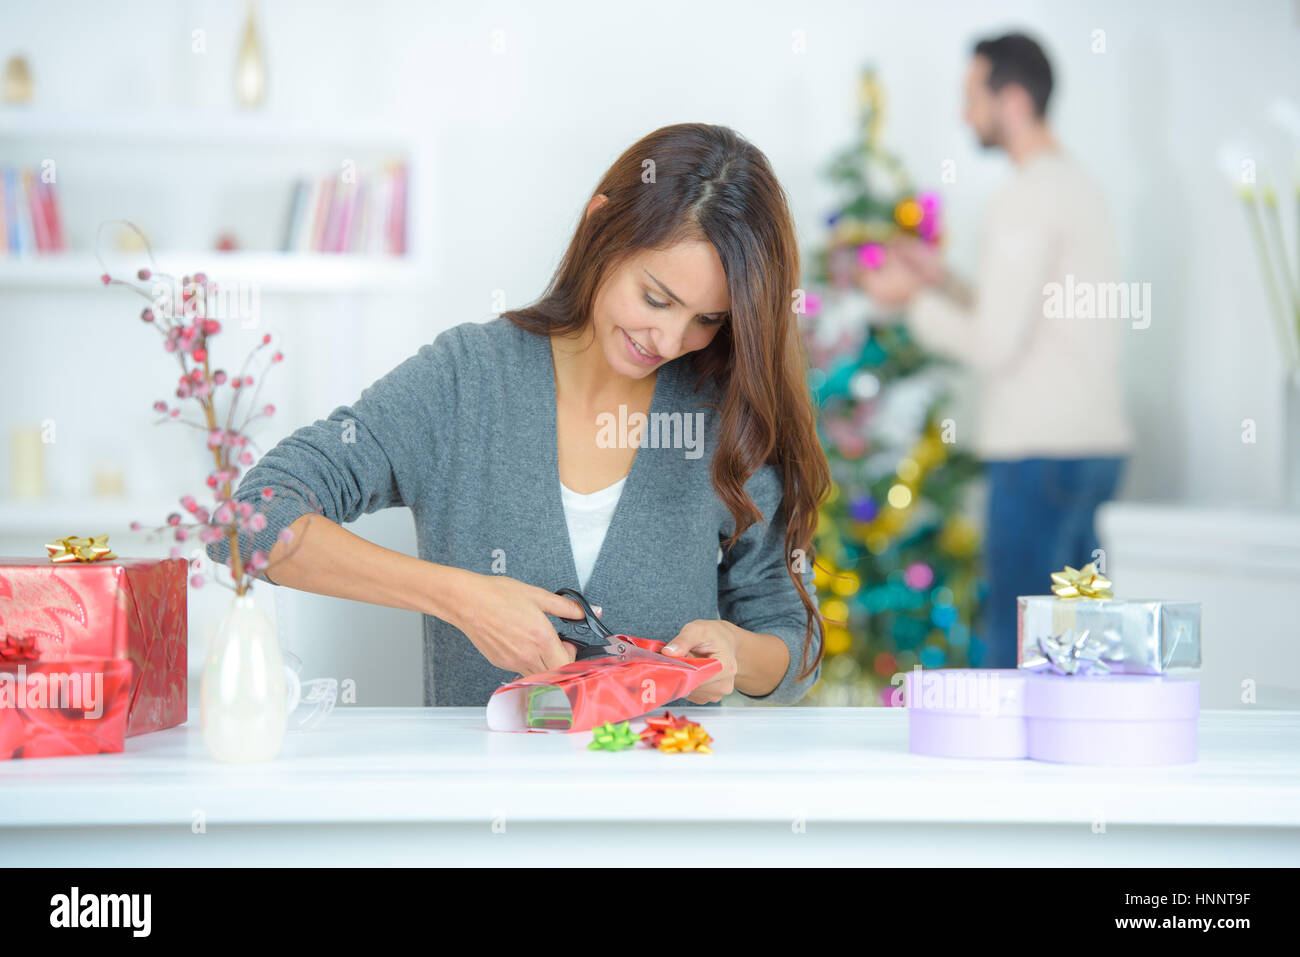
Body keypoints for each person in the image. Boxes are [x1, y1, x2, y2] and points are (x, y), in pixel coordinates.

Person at [209, 123, 829, 708]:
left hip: (661, 803)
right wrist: (460, 596)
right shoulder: (467, 379)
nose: (668, 339)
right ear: (601, 226)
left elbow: (790, 637)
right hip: (480, 803)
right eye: (655, 298)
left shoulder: (723, 415)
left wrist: (736, 655)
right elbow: (247, 524)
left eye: (706, 319)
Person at [858, 33, 1133, 669]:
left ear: (1010, 100)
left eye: (971, 97)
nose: (963, 114)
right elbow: (1028, 312)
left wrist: (908, 302)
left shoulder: (1024, 196)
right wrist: (942, 280)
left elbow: (993, 342)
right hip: (1093, 447)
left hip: (1038, 455)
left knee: (1018, 652)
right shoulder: (1075, 184)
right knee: (1081, 652)